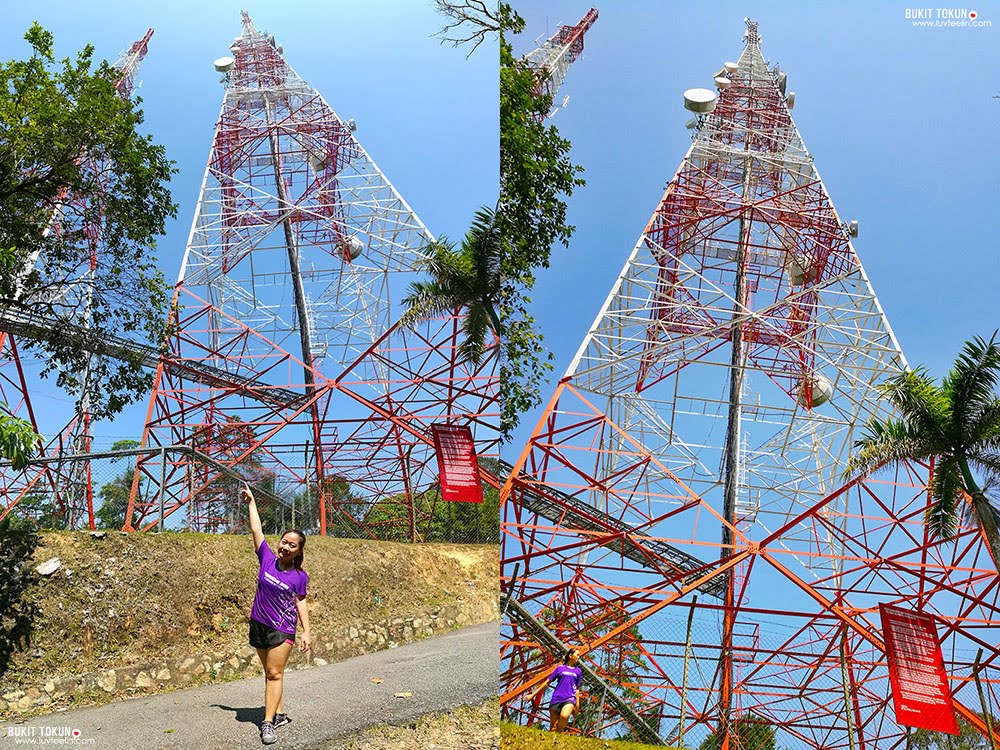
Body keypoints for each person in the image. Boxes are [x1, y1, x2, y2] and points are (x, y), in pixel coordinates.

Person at [243, 482, 311, 746]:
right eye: (284, 542)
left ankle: (268, 723)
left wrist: (307, 631)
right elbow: (256, 529)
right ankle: (279, 713)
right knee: (270, 673)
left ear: (298, 551)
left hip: (282, 628)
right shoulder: (267, 559)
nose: (285, 547)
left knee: (274, 673)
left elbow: (301, 603)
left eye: (292, 545)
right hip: (259, 623)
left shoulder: (299, 576)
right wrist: (251, 502)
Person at [527, 647, 583, 733]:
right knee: (552, 728)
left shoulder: (578, 671)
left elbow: (578, 689)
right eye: (577, 655)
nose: (579, 657)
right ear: (571, 655)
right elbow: (547, 682)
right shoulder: (560, 668)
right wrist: (532, 695)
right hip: (557, 698)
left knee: (564, 716)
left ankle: (559, 731)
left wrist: (577, 703)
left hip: (570, 698)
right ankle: (554, 739)